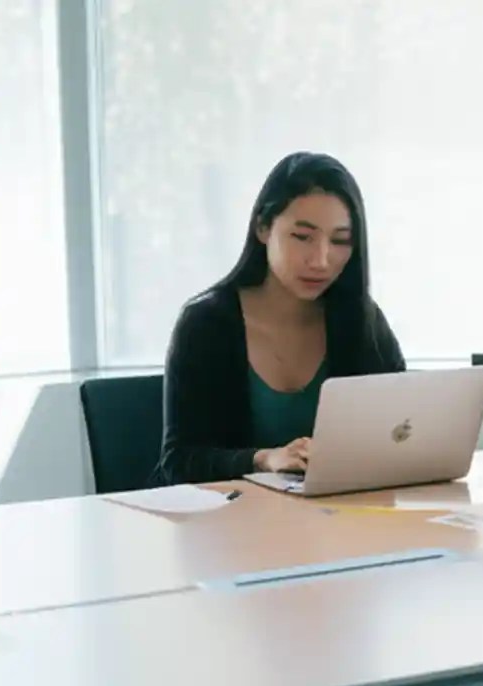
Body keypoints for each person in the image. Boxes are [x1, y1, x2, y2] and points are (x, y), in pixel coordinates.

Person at [151, 151, 405, 486]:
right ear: (263, 227)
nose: (321, 260)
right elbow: (179, 462)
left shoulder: (361, 319)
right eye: (302, 237)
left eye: (341, 241)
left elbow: (401, 431)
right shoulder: (206, 325)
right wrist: (264, 459)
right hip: (234, 528)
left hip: (339, 524)